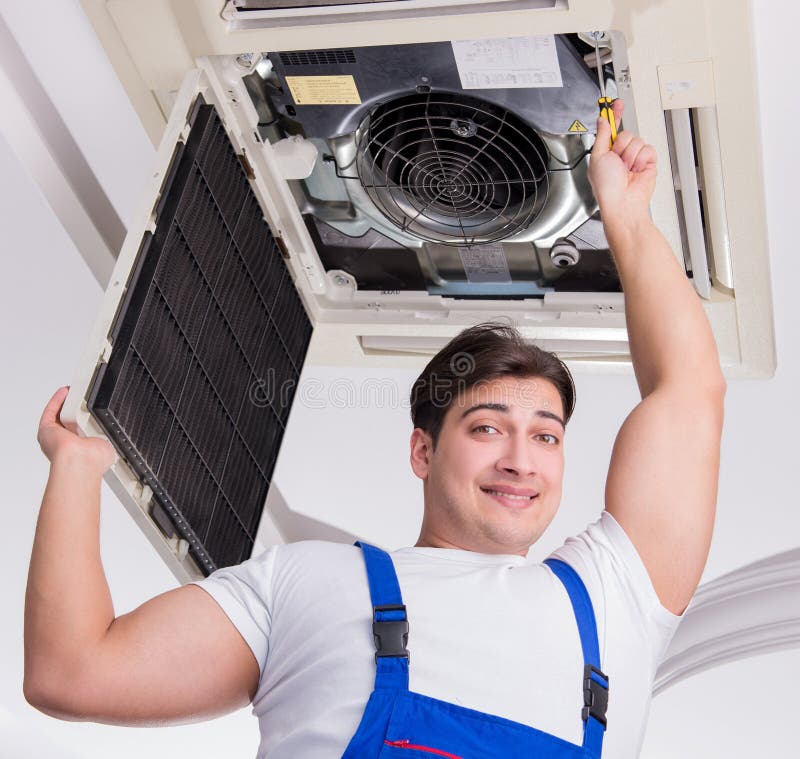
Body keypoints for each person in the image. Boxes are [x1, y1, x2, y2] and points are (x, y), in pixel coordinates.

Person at [24, 101, 725, 758]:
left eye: (545, 435)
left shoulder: (613, 599)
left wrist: (628, 218)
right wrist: (77, 470)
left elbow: (689, 389)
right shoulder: (304, 581)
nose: (521, 459)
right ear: (422, 449)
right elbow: (73, 672)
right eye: (487, 427)